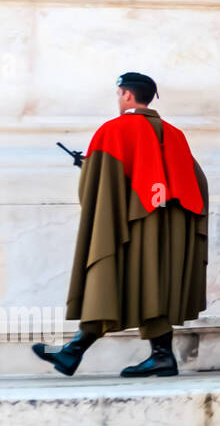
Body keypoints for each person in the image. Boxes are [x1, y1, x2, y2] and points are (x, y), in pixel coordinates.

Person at [32, 73, 208, 377]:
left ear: (127, 95)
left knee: (110, 277)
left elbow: (100, 183)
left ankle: (74, 352)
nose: (118, 99)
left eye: (118, 94)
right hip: (171, 226)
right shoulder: (175, 134)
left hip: (133, 223)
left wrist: (87, 167)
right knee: (153, 286)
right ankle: (157, 356)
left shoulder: (113, 130)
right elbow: (196, 181)